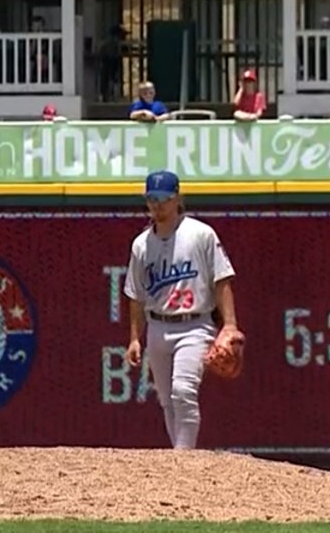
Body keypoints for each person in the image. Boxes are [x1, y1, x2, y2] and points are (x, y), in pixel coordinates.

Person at [123, 170, 242, 451]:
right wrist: (135, 338)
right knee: (167, 400)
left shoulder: (200, 234)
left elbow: (222, 280)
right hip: (157, 325)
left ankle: (183, 460)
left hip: (195, 324)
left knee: (183, 391)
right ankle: (181, 458)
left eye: (164, 199)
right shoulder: (141, 244)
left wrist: (230, 324)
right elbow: (135, 295)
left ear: (177, 198)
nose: (158, 205)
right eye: (152, 199)